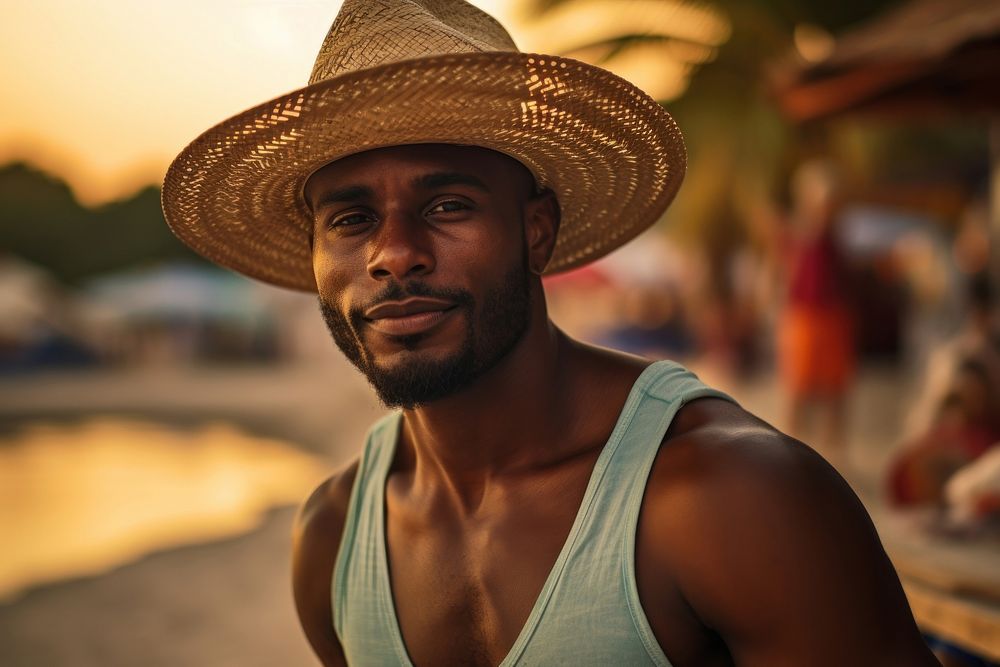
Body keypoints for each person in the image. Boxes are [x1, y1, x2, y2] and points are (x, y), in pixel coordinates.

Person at [161, 1, 938, 664]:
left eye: (448, 205)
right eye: (352, 219)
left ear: (538, 230)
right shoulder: (333, 540)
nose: (393, 253)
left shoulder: (734, 497)